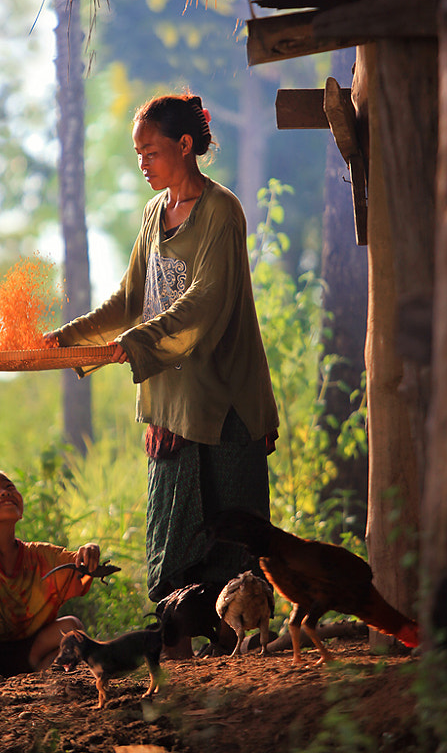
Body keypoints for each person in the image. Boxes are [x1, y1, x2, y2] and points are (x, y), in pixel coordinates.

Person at [47, 93, 279, 656]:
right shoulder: (154, 216)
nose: (142, 163)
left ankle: (238, 647)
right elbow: (132, 299)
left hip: (223, 402)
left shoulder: (222, 212)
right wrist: (70, 337)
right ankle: (177, 651)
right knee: (172, 541)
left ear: (184, 145)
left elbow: (205, 302)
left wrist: (139, 342)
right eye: (137, 154)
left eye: (150, 152)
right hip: (170, 405)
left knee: (233, 537)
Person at [0, 425, 100, 682]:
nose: (4, 492)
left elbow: (80, 565)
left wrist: (91, 552)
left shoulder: (40, 556)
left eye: (10, 487)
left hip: (21, 656)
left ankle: (38, 682)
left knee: (72, 628)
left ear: (21, 508)